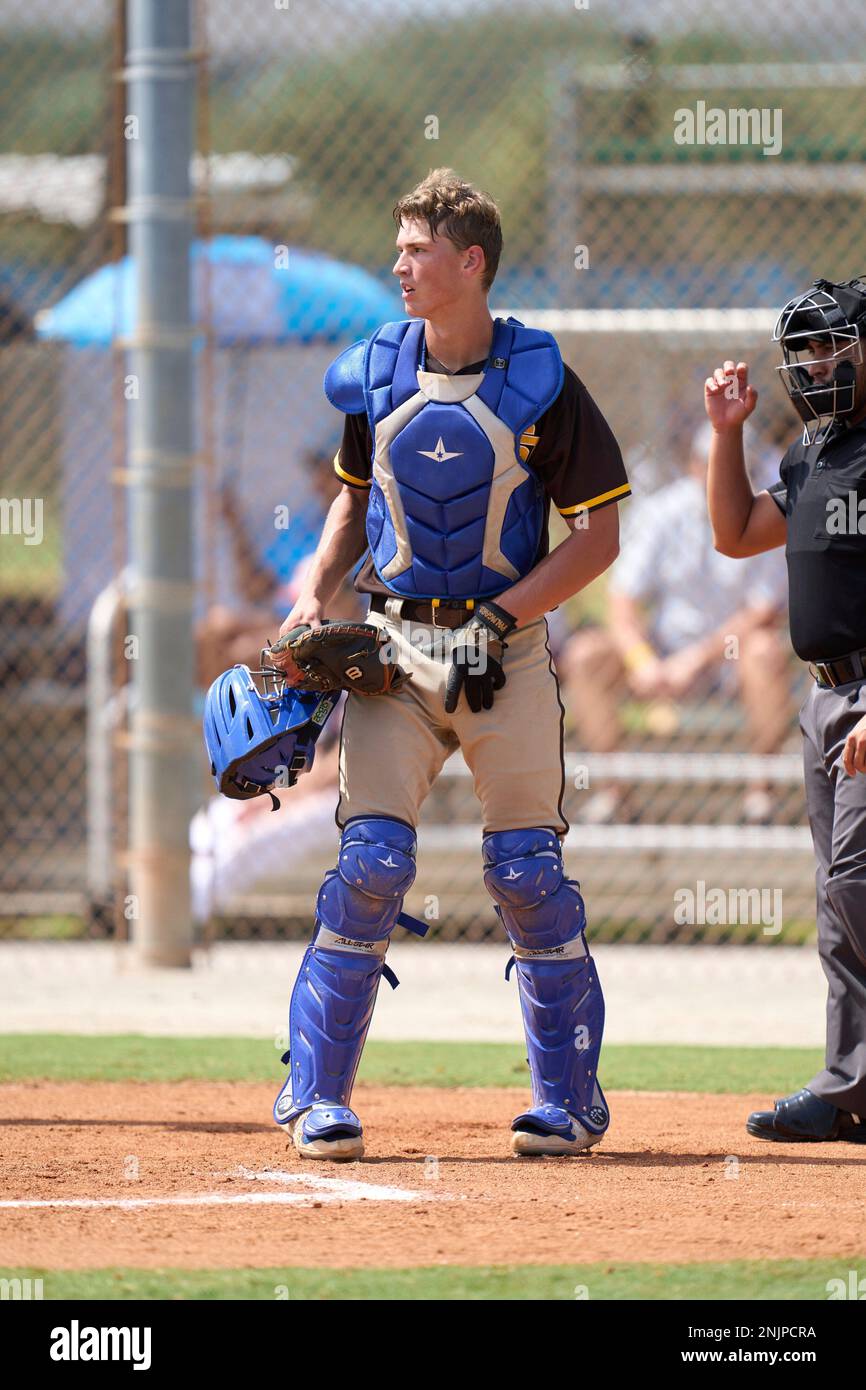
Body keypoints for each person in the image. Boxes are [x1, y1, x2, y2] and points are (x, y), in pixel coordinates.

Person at [268, 167, 630, 1161]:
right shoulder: (375, 370)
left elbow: (597, 539)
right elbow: (352, 502)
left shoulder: (541, 381)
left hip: (501, 653)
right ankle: (315, 1094)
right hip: (391, 651)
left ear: (470, 263)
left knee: (527, 874)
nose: (399, 263)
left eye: (418, 248)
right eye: (399, 245)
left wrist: (496, 617)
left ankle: (566, 1100)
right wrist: (310, 596)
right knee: (369, 865)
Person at [705, 276, 866, 1144]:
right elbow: (735, 533)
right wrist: (725, 435)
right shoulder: (814, 450)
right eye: (805, 347)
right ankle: (852, 1091)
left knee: (858, 885)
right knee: (837, 902)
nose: (816, 361)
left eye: (834, 344)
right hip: (826, 695)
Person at [560, 423, 791, 824]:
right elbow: (623, 602)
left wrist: (697, 660)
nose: (719, 476)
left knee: (765, 650)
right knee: (586, 655)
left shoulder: (769, 511)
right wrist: (642, 660)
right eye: (711, 465)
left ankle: (761, 796)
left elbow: (762, 612)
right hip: (663, 652)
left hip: (729, 660)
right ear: (693, 466)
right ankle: (614, 795)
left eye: (736, 466)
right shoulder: (662, 512)